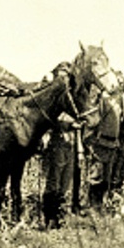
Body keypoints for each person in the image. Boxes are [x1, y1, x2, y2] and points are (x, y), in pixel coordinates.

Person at [41, 61, 80, 228]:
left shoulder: (72, 97)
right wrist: (71, 122)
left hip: (70, 143)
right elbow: (48, 118)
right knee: (53, 182)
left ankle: (59, 217)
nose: (65, 79)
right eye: (61, 76)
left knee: (65, 183)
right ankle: (49, 218)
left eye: (67, 76)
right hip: (56, 142)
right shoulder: (50, 96)